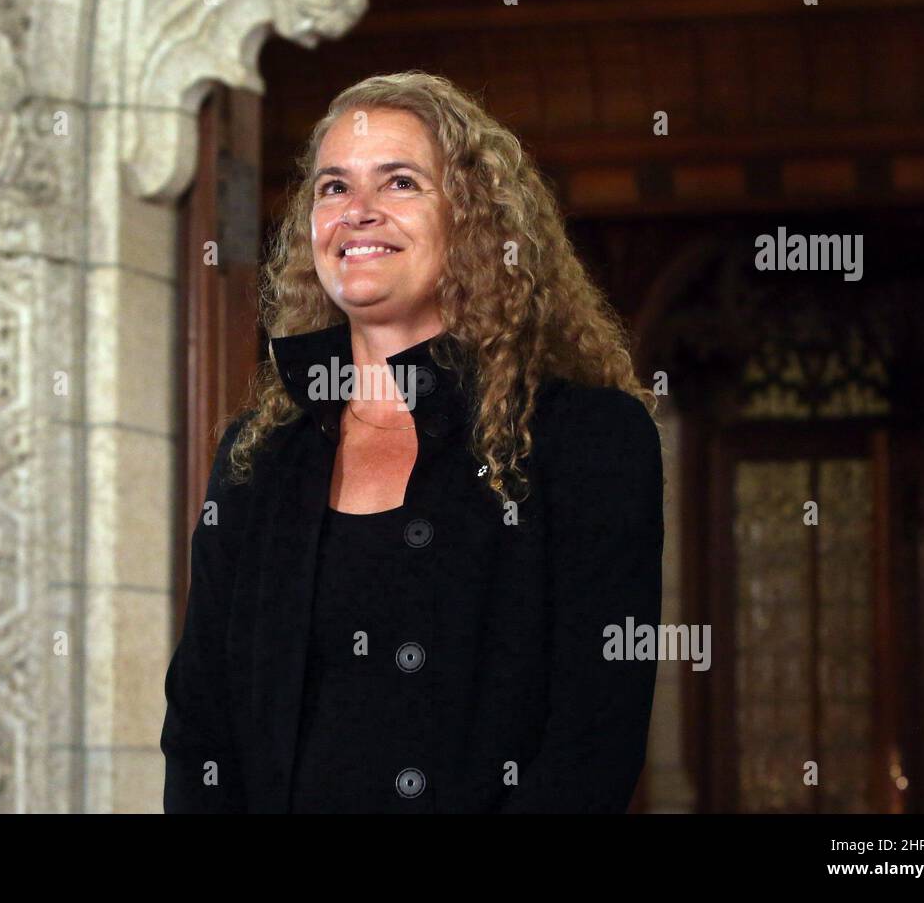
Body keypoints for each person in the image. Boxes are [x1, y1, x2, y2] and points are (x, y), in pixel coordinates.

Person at [161, 71, 664, 813]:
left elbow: (593, 738)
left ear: (474, 216)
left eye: (398, 182)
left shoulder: (588, 437)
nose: (357, 212)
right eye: (333, 188)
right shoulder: (258, 455)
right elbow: (201, 725)